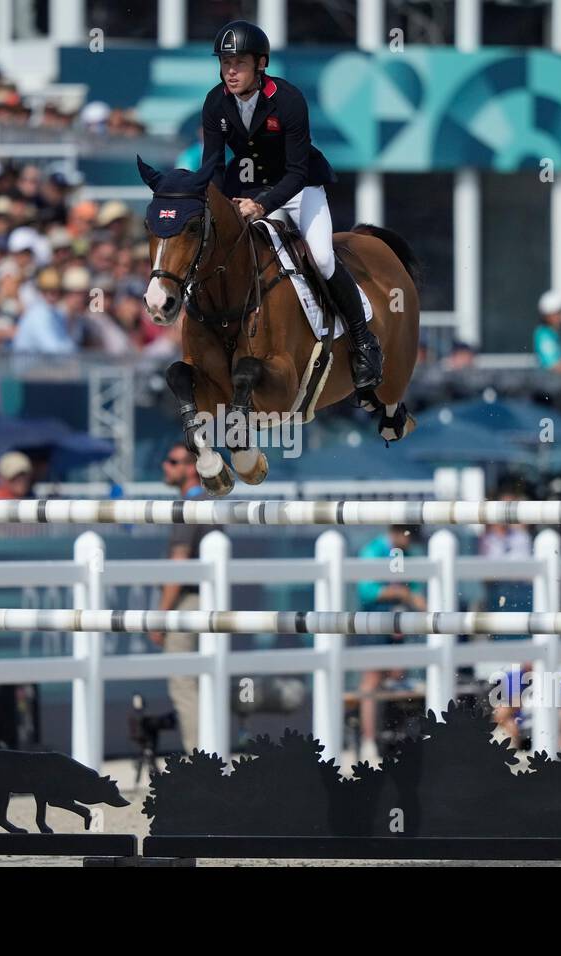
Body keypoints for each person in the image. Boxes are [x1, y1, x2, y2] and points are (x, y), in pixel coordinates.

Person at [200, 20, 382, 393]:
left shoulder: (288, 100)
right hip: (246, 189)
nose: (230, 71)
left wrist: (262, 205)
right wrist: (217, 208)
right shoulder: (215, 101)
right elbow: (214, 166)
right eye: (225, 63)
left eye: (239, 63)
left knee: (322, 258)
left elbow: (297, 171)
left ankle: (364, 341)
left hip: (299, 188)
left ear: (260, 63)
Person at [149, 443, 218, 753]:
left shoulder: (190, 506)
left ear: (191, 467)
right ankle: (209, 755)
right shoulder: (210, 502)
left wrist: (161, 615)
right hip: (209, 600)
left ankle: (199, 758)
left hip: (189, 602)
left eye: (172, 461)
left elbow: (179, 564)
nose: (165, 466)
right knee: (203, 682)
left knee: (184, 684)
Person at [353, 525, 428, 764]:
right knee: (372, 679)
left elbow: (414, 588)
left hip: (397, 622)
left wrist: (415, 599)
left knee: (397, 676)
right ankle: (368, 741)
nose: (410, 542)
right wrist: (403, 594)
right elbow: (367, 591)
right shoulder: (373, 551)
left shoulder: (406, 554)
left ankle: (392, 741)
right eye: (408, 535)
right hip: (374, 621)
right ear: (397, 531)